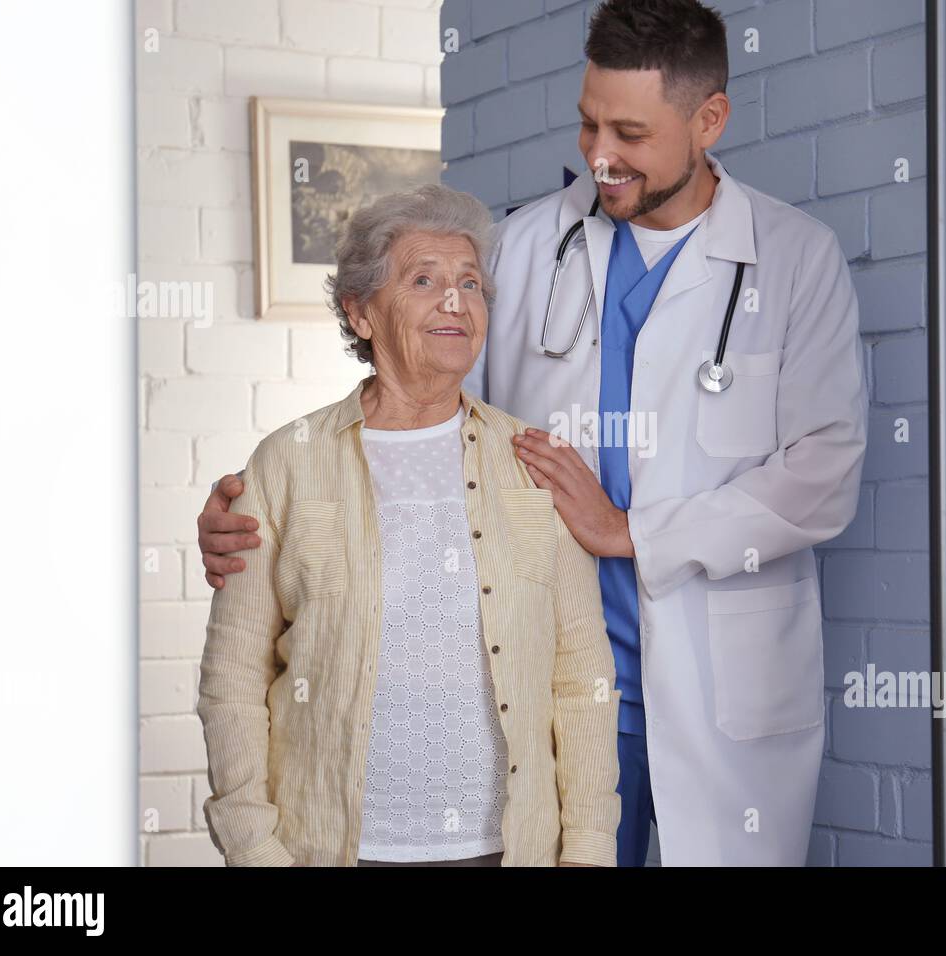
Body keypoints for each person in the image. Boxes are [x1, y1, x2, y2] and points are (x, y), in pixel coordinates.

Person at [198, 0, 867, 866]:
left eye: (629, 132)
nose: (598, 155)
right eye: (588, 122)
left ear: (709, 121)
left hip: (721, 682)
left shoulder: (795, 258)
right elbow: (421, 408)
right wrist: (267, 513)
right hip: (546, 690)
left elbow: (825, 472)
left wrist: (630, 532)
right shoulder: (521, 247)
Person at [197, 184, 620, 867]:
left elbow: (582, 679)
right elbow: (234, 677)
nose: (456, 302)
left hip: (509, 849)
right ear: (360, 312)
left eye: (470, 284)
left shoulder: (533, 463)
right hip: (329, 847)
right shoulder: (285, 465)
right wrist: (253, 845)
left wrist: (591, 847)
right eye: (424, 280)